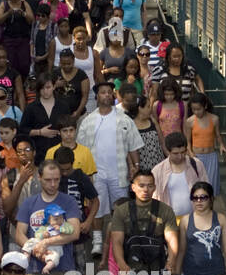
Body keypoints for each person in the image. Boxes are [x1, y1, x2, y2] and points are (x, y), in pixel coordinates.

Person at [76, 82, 142, 257]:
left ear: (113, 96)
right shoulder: (87, 121)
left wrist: (136, 167)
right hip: (95, 174)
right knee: (97, 207)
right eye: (102, 93)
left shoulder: (124, 119)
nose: (106, 95)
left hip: (119, 173)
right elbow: (81, 150)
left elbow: (133, 146)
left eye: (109, 92)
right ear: (96, 97)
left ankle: (125, 242)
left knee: (122, 210)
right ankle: (98, 242)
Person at [15, 160, 82, 275]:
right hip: (34, 271)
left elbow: (75, 232)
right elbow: (19, 233)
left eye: (56, 180)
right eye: (48, 180)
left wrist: (46, 243)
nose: (53, 184)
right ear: (39, 177)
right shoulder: (29, 203)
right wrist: (36, 250)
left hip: (63, 270)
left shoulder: (68, 201)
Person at [109, 169, 179, 275]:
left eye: (150, 185)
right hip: (132, 268)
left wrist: (171, 262)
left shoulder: (165, 210)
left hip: (159, 267)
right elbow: (117, 241)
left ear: (154, 187)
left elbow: (172, 240)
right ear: (133, 187)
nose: (146, 189)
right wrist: (122, 264)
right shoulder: (121, 211)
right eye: (141, 185)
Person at [19, 72, 74, 165]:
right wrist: (39, 132)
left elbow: (70, 126)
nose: (45, 91)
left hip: (60, 155)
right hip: (39, 154)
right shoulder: (31, 108)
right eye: (42, 88)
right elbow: (22, 130)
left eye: (48, 87)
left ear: (54, 86)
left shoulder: (63, 106)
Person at [52, 147, 100, 251]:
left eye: (67, 169)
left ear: (73, 163)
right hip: (56, 231)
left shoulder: (81, 177)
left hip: (79, 230)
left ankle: (88, 268)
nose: (64, 173)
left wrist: (88, 221)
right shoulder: (51, 179)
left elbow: (95, 201)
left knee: (83, 263)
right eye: (62, 169)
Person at [152, 133, 209, 220]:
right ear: (168, 151)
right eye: (176, 153)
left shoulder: (196, 164)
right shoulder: (158, 171)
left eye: (183, 152)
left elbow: (207, 190)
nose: (180, 156)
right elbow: (154, 198)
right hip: (170, 220)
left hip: (194, 217)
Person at [184, 94, 226, 198]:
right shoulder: (190, 121)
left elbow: (218, 135)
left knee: (210, 186)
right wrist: (191, 153)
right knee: (196, 185)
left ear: (205, 106)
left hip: (211, 156)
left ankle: (209, 208)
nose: (196, 112)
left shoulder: (214, 119)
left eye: (198, 109)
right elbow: (188, 141)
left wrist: (221, 145)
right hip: (197, 157)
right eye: (193, 109)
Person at [21, 201, 76, 274]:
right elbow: (37, 234)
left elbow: (71, 230)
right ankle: (26, 256)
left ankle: (47, 267)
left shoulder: (64, 225)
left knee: (55, 256)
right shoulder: (45, 227)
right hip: (41, 244)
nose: (59, 220)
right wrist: (43, 235)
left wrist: (61, 229)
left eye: (61, 217)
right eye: (56, 219)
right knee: (30, 241)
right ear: (49, 220)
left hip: (56, 247)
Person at [0, 0, 34, 79]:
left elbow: (31, 19)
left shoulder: (24, 4)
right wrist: (8, 13)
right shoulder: (4, 4)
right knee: (10, 62)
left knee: (24, 64)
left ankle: (23, 81)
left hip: (23, 39)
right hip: (9, 39)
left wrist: (23, 14)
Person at [1, 135, 38, 233]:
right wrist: (21, 181)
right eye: (19, 151)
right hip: (16, 235)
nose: (23, 153)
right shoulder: (9, 177)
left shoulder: (44, 174)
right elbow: (7, 208)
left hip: (42, 233)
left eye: (27, 149)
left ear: (34, 152)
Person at [126, 94, 165, 172]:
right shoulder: (130, 125)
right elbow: (129, 150)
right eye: (148, 106)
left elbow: (162, 143)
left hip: (158, 165)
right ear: (140, 108)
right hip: (141, 168)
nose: (150, 109)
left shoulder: (152, 121)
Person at [52, 45, 90, 116]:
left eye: (69, 64)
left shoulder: (81, 75)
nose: (66, 66)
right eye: (64, 64)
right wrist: (55, 85)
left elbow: (85, 96)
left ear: (73, 61)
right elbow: (46, 92)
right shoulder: (55, 73)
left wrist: (78, 112)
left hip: (78, 114)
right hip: (59, 114)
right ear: (60, 61)